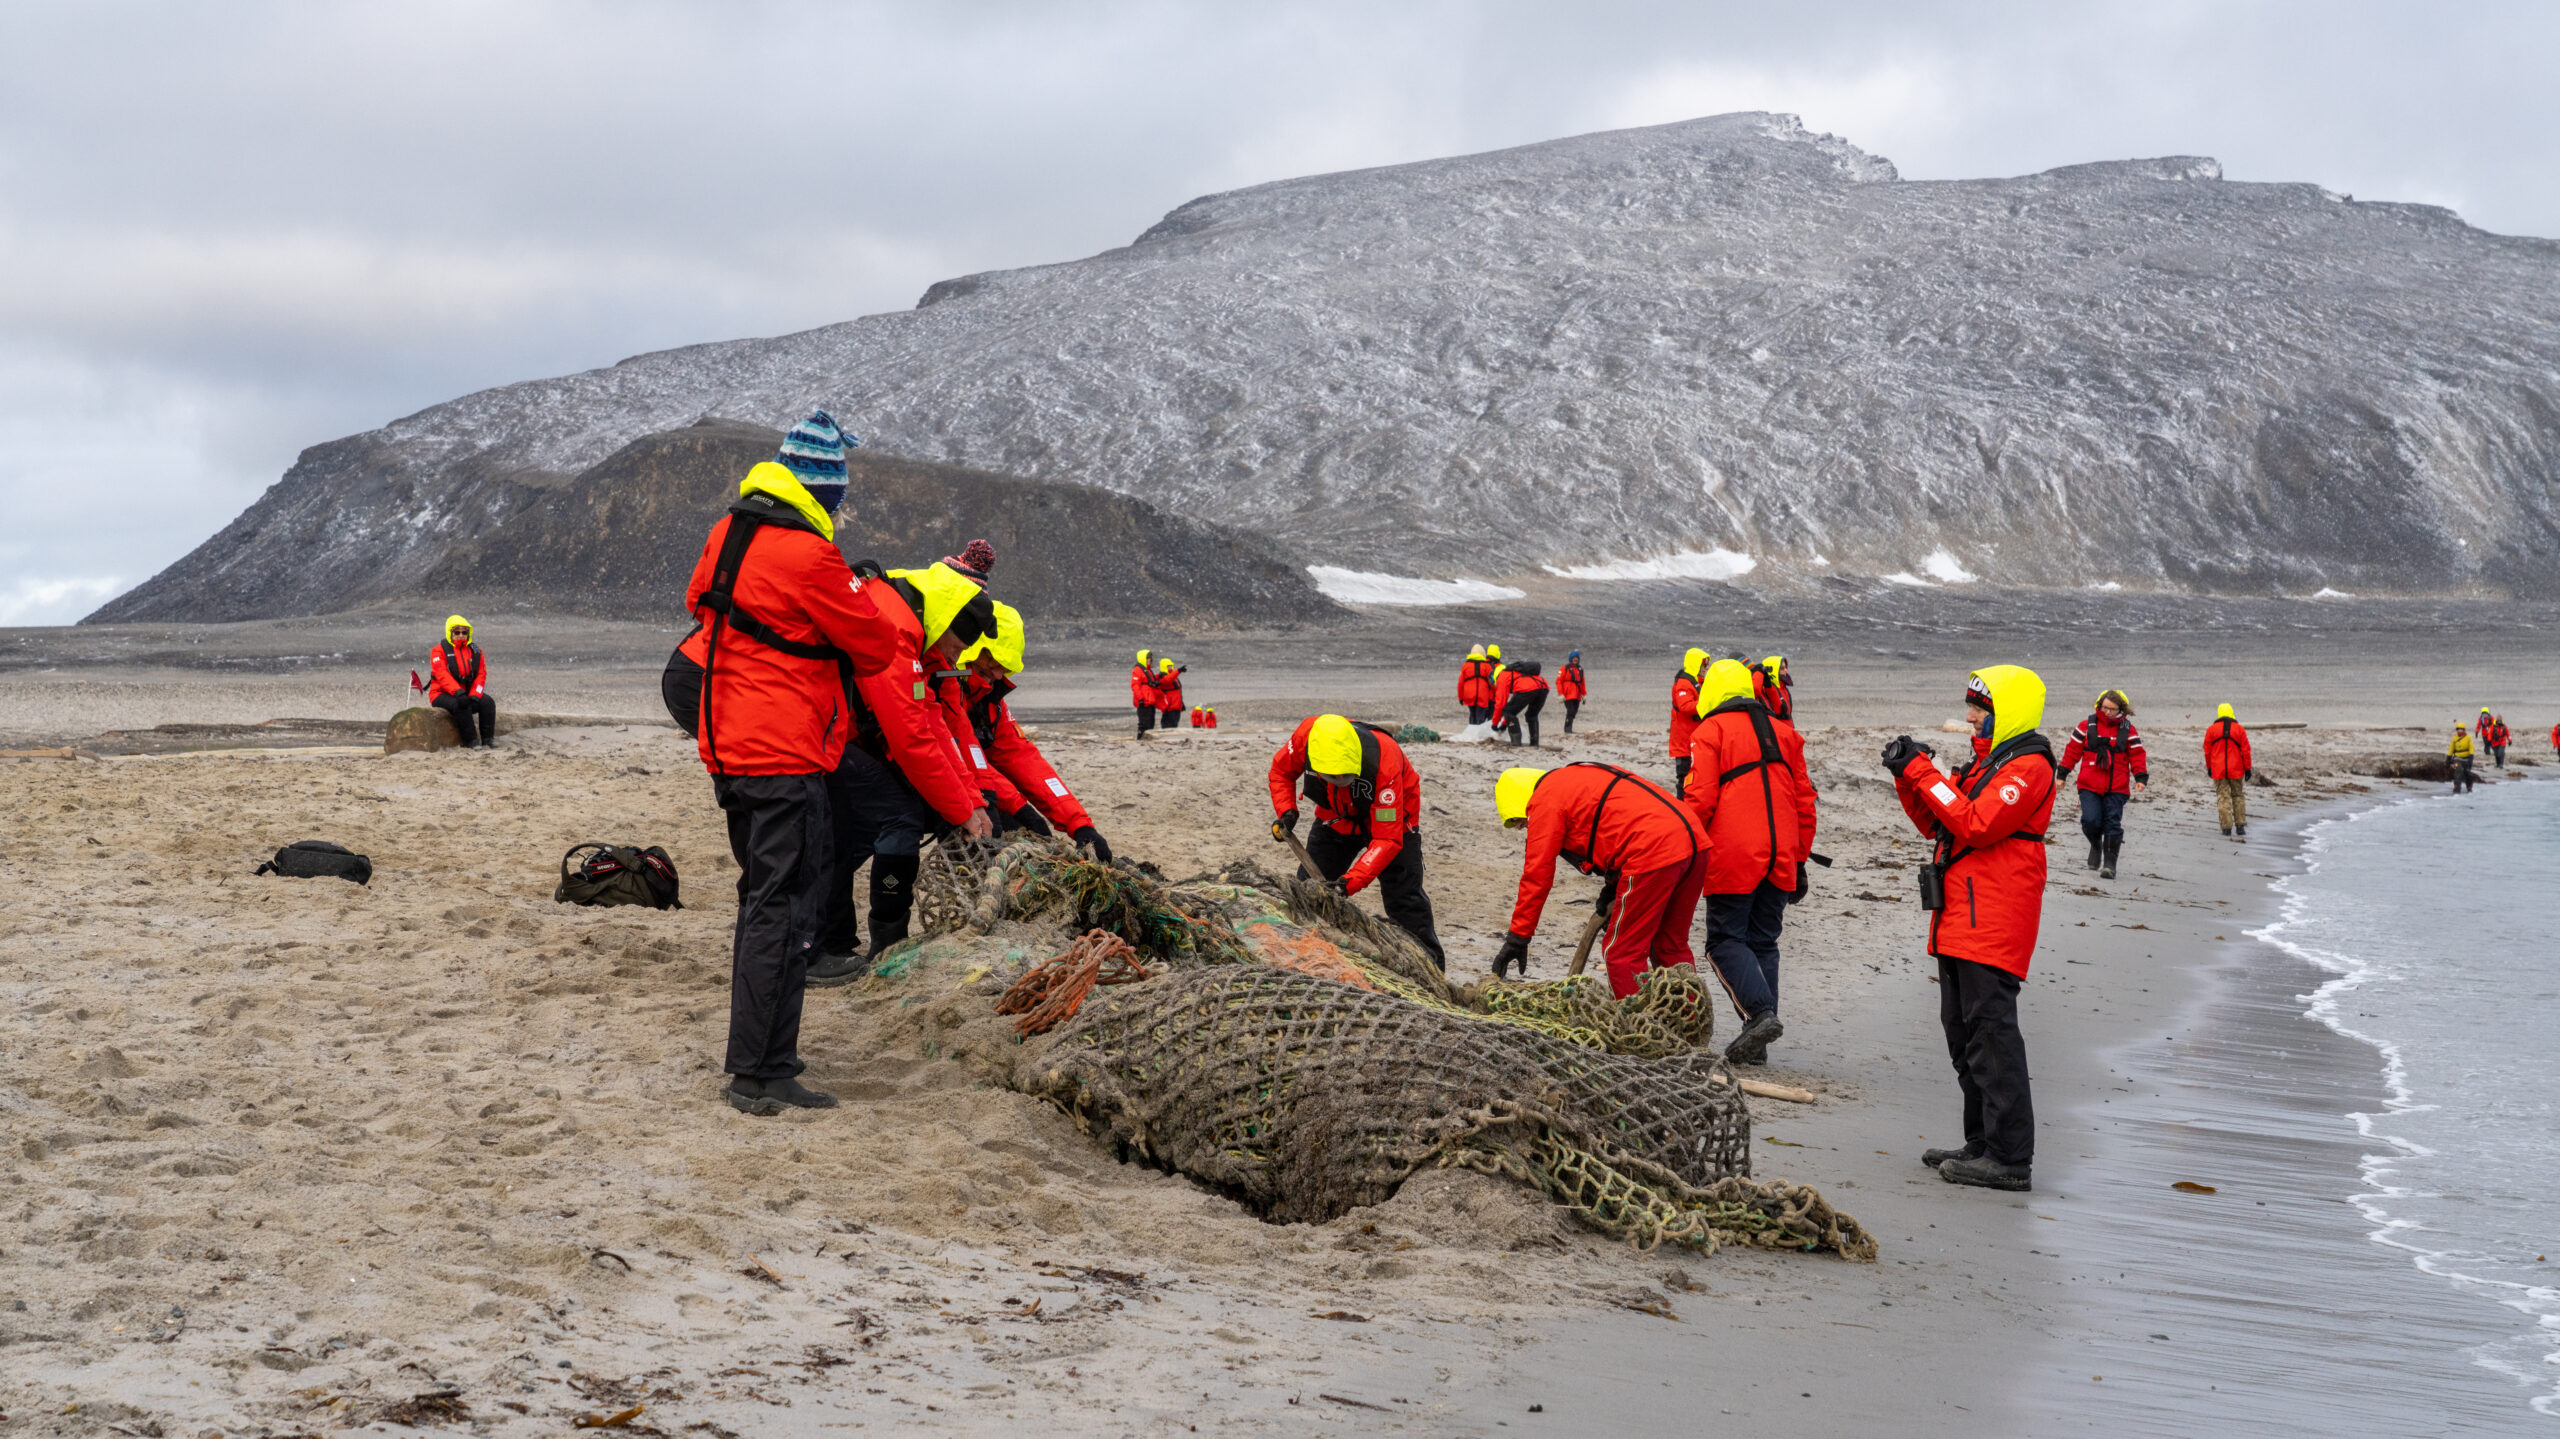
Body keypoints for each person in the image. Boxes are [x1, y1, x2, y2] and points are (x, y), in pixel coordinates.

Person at [673, 410, 917, 1116]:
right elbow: (873, 643)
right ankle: (760, 1069)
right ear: (825, 490)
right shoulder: (809, 555)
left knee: (762, 898)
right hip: (782, 749)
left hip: (730, 741)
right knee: (783, 903)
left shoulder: (729, 532)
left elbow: (698, 601)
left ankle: (763, 1060)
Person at [1886, 665, 2058, 1192]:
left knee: (1991, 1033)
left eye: (1980, 710)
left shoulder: (2028, 766)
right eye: (1971, 708)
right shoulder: (1992, 764)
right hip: (1965, 914)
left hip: (1993, 916)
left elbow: (1976, 824)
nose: (1970, 718)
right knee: (1963, 1034)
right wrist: (1907, 774)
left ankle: (2009, 1157)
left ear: (2005, 712)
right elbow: (1939, 822)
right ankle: (1983, 1143)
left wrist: (1923, 773)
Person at [807, 559, 1001, 984]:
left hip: (825, 725)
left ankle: (834, 940)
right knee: (899, 812)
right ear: (944, 620)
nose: (958, 655)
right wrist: (963, 812)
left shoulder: (908, 626)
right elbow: (911, 740)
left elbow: (932, 724)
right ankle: (883, 940)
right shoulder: (896, 628)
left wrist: (973, 800)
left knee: (846, 832)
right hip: (806, 723)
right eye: (958, 642)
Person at [1682, 659, 1818, 1066]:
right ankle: (1757, 1042)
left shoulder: (1709, 732)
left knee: (1724, 942)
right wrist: (1799, 859)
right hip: (1780, 854)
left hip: (1735, 854)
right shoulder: (1785, 733)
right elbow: (1805, 803)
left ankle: (1759, 1016)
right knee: (1762, 942)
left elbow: (1700, 800)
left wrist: (1686, 850)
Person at [1492, 764, 1705, 996]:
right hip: (1695, 840)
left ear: (1523, 801)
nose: (1524, 827)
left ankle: (1639, 1027)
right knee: (1670, 944)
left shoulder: (1545, 801)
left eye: (1521, 821)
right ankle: (1690, 1024)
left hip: (1653, 852)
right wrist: (1613, 887)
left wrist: (1518, 938)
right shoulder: (1575, 779)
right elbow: (1613, 825)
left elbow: (1537, 875)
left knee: (1622, 953)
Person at [931, 601, 1114, 859]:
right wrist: (1016, 805)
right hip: (932, 783)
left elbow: (1023, 759)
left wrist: (1079, 824)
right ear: (966, 648)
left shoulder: (990, 703)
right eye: (991, 663)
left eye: (1003, 667)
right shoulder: (941, 689)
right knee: (983, 828)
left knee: (1021, 829)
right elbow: (962, 756)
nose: (996, 674)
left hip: (977, 786)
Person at [1267, 714, 1447, 968]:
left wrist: (1347, 884)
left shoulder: (1385, 760)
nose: (1340, 781)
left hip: (1393, 819)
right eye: (1334, 778)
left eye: (1345, 777)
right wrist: (1287, 811)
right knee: (1308, 891)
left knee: (1404, 898)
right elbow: (1281, 772)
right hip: (1335, 818)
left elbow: (1386, 839)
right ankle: (1306, 955)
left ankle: (1431, 966)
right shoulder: (1308, 738)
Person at [2058, 688, 2147, 879]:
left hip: (2117, 786)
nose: (2107, 712)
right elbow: (2072, 751)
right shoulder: (2085, 726)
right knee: (2090, 821)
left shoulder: (2128, 730)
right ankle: (2096, 845)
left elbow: (2137, 754)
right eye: (2104, 707)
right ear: (2099, 705)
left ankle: (2109, 865)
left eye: (2112, 709)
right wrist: (2062, 774)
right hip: (2089, 785)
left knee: (2112, 823)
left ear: (2121, 710)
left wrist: (2140, 777)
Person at [426, 614, 498, 748]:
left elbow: (481, 675)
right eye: (457, 632)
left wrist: (475, 695)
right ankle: (471, 741)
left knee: (487, 702)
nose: (460, 635)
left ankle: (488, 740)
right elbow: (442, 675)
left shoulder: (476, 651)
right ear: (450, 633)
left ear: (468, 633)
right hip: (441, 694)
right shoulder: (438, 651)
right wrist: (458, 692)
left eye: (464, 632)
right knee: (461, 704)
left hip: (467, 693)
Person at [2202, 703, 2254, 839]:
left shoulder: (2212, 730)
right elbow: (2246, 751)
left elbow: (2207, 751)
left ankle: (2226, 828)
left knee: (2223, 797)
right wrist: (2248, 769)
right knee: (2238, 795)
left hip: (2218, 769)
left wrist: (2209, 767)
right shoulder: (2239, 730)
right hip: (2236, 769)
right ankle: (2240, 826)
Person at [1668, 647, 1707, 796]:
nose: (1706, 668)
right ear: (1696, 665)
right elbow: (1685, 706)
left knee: (1694, 777)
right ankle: (1682, 806)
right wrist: (1706, 705)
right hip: (1684, 742)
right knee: (1684, 778)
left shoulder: (1698, 682)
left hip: (1692, 739)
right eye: (1704, 666)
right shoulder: (1684, 683)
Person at [1499, 660, 1550, 746]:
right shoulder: (1521, 675)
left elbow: (1506, 706)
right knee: (1532, 715)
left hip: (1527, 688)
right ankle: (1534, 742)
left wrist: (1502, 726)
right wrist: (1504, 724)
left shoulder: (1504, 677)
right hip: (1544, 686)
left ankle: (1516, 741)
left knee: (1508, 711)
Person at [1458, 646, 1497, 724]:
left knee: (1472, 715)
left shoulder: (1465, 666)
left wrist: (1461, 698)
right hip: (1482, 696)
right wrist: (1496, 694)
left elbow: (1460, 684)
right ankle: (1479, 734)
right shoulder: (1487, 666)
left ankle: (1472, 732)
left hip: (1469, 695)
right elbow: (1492, 683)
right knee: (1480, 717)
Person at [1754, 654, 1795, 722]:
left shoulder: (1783, 687)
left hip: (1788, 727)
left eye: (1786, 667)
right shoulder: (1767, 688)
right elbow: (1777, 711)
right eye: (1782, 668)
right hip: (1779, 727)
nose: (1785, 670)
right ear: (1774, 670)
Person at [1130, 650, 1160, 737]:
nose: (1150, 660)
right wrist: (1140, 699)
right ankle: (1141, 739)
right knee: (1144, 724)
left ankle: (1146, 740)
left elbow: (1150, 680)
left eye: (1150, 658)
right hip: (1144, 702)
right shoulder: (1138, 670)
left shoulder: (1147, 670)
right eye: (1148, 658)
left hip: (1150, 701)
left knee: (1150, 723)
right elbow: (1135, 685)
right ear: (1143, 659)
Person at [1555, 651, 1587, 733]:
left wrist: (1584, 694)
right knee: (1571, 711)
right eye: (1574, 658)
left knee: (1574, 711)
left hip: (1577, 694)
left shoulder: (1580, 669)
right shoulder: (1564, 668)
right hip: (1567, 694)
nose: (1575, 659)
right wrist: (1561, 694)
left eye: (1577, 658)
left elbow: (1582, 682)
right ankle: (1568, 729)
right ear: (1571, 659)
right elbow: (1558, 681)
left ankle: (1569, 727)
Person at [1155, 657, 1187, 729]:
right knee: (1169, 726)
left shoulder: (1173, 676)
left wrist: (1181, 703)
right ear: (1164, 667)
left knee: (1174, 725)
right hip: (1170, 707)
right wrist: (1178, 671)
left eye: (1171, 666)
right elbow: (1168, 680)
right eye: (1168, 666)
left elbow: (1177, 691)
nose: (1170, 668)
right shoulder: (1162, 677)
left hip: (1176, 706)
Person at [2449, 724, 2476, 794]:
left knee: (2468, 773)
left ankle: (2469, 787)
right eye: (2458, 729)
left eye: (2461, 729)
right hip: (2457, 759)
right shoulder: (2454, 739)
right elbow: (2451, 749)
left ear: (2464, 730)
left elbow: (2471, 748)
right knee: (2458, 770)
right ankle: (2456, 787)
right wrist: (2448, 758)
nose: (2459, 731)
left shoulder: (2469, 738)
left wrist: (2471, 757)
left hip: (2467, 759)